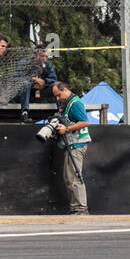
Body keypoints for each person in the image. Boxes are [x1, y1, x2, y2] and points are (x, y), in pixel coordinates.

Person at [52, 80, 91, 215]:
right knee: (69, 177)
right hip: (71, 144)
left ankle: (81, 208)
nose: (57, 98)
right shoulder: (66, 103)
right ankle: (75, 208)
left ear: (64, 90)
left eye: (58, 95)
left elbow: (85, 122)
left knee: (74, 177)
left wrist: (67, 128)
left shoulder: (75, 103)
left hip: (77, 144)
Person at [11, 44, 57, 119]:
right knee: (26, 83)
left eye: (46, 56)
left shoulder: (48, 64)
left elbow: (54, 79)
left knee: (57, 85)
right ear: (35, 55)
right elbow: (15, 79)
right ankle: (24, 113)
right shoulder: (24, 62)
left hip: (39, 93)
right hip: (24, 96)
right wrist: (33, 81)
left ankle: (60, 112)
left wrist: (44, 82)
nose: (44, 59)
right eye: (42, 56)